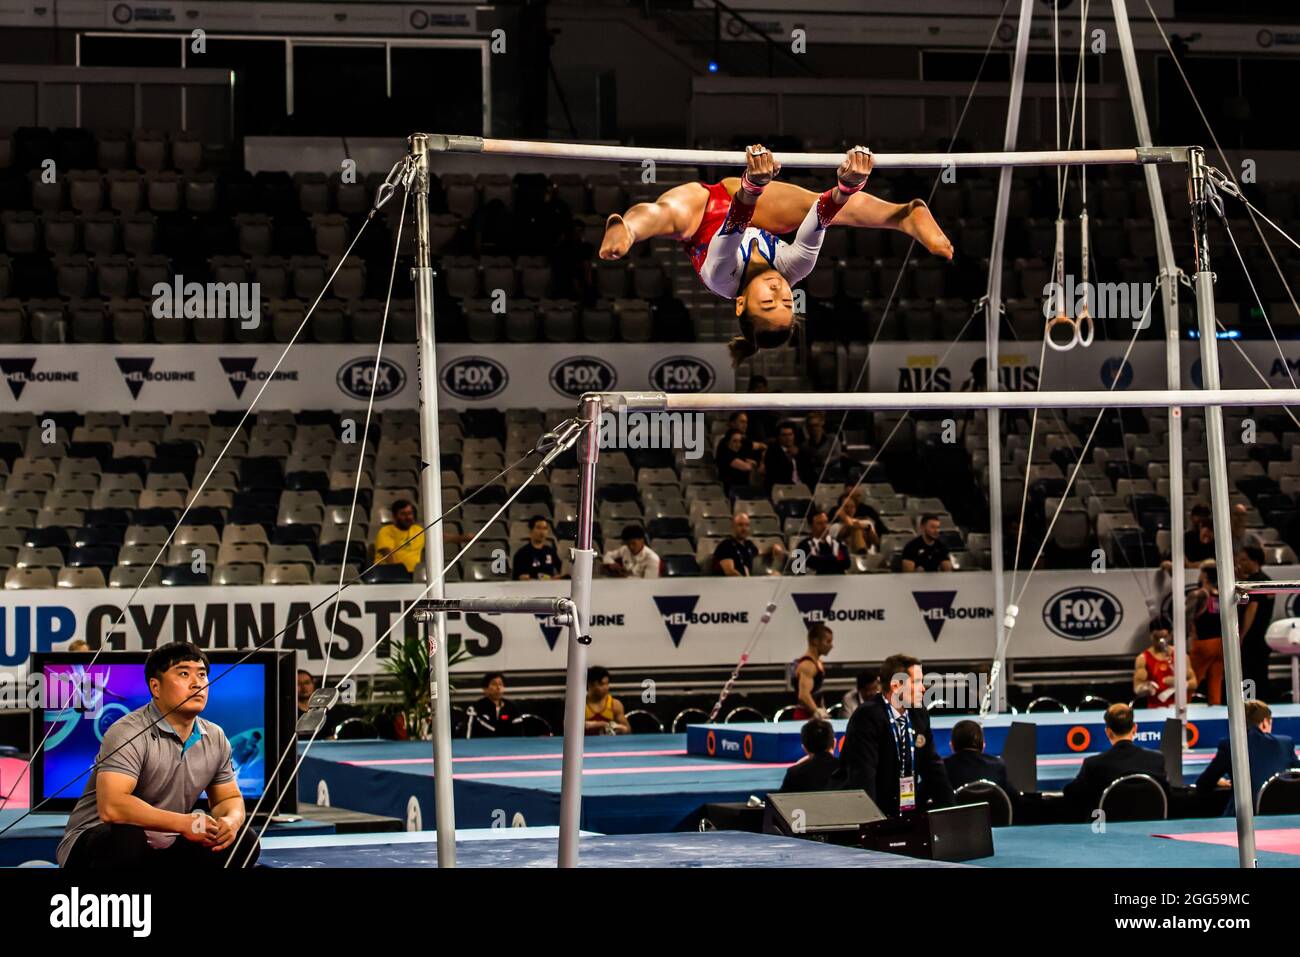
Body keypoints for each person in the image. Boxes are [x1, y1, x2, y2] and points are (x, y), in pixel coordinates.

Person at [599, 143, 952, 366]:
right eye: (786, 303)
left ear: (740, 305)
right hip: (756, 206)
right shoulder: (794, 269)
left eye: (768, 304)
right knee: (821, 202)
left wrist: (754, 183)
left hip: (703, 214)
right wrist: (848, 184)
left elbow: (733, 227)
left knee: (666, 215)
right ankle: (903, 214)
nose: (779, 294)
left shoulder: (720, 279)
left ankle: (628, 230)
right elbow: (821, 218)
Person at [57, 641, 259, 869]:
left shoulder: (215, 735)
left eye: (202, 675)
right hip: (96, 843)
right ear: (155, 687)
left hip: (166, 840)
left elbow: (227, 799)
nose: (197, 684)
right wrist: (183, 823)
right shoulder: (127, 731)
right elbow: (112, 807)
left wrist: (229, 822)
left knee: (244, 839)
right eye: (184, 674)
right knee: (125, 836)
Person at [832, 653, 953, 818]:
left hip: (906, 807)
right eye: (917, 682)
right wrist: (872, 823)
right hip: (874, 809)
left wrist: (952, 813)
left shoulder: (919, 714)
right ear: (896, 687)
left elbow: (932, 767)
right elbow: (864, 774)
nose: (923, 688)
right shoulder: (867, 716)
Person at [1061, 703, 1167, 819]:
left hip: (1107, 833)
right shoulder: (1156, 760)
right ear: (1135, 728)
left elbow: (1071, 794)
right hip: (1151, 831)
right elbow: (1168, 795)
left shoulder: (1094, 765)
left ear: (1108, 732)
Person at [1195, 700, 1300, 815]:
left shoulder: (1230, 744)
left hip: (1242, 819)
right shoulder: (1285, 743)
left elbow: (1203, 784)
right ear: (1265, 723)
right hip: (1284, 816)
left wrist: (1218, 781)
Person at [1237, 544, 1275, 701]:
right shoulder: (1265, 580)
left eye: (1244, 560)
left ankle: (1249, 705)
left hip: (1252, 639)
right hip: (1260, 637)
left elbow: (1251, 610)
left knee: (1249, 674)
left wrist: (1241, 636)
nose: (1240, 563)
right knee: (1259, 675)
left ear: (1255, 561)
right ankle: (1260, 705)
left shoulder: (1255, 583)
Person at [1133, 618, 1196, 707]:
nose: (1160, 642)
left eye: (1164, 638)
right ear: (1150, 635)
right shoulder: (1143, 658)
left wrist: (1180, 684)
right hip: (1155, 710)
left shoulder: (1180, 655)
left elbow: (1194, 683)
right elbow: (1137, 687)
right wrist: (1145, 688)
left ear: (1170, 635)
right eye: (1156, 638)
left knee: (1173, 721)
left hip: (1177, 709)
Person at [943, 719, 1014, 798]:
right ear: (983, 746)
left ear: (951, 746)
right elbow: (1013, 799)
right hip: (993, 810)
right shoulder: (998, 765)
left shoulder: (942, 767)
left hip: (957, 810)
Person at [1188, 560, 1226, 705]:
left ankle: (1183, 712)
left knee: (1190, 681)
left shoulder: (1198, 595)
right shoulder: (1221, 595)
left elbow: (1185, 620)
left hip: (1203, 644)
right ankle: (1215, 711)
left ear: (1204, 575)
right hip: (1220, 644)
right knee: (1215, 682)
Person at [712, 511, 784, 576]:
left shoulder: (748, 544)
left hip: (747, 582)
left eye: (747, 525)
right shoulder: (726, 545)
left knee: (775, 575)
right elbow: (730, 572)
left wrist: (773, 547)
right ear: (733, 527)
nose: (744, 529)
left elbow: (760, 552)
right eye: (740, 525)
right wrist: (747, 582)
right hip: (731, 585)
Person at [777, 719, 839, 793]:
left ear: (805, 748)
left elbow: (781, 801)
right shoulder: (848, 770)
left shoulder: (794, 774)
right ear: (834, 743)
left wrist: (797, 767)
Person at [790, 623, 834, 720]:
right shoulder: (808, 665)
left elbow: (816, 693)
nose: (831, 646)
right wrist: (818, 712)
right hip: (805, 717)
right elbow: (803, 695)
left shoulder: (818, 663)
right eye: (828, 641)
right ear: (815, 641)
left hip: (814, 715)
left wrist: (822, 709)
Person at [375, 498, 425, 573]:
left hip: (414, 575)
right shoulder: (386, 531)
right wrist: (397, 573)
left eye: (410, 513)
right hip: (388, 574)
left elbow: (435, 538)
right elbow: (387, 554)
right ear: (394, 516)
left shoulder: (418, 530)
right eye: (403, 514)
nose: (408, 517)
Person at [764, 421, 815, 492]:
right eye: (784, 435)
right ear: (778, 437)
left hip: (803, 488)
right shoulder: (772, 452)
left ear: (794, 435)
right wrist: (788, 459)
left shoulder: (801, 451)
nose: (788, 438)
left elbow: (809, 472)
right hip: (783, 489)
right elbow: (775, 475)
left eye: (790, 434)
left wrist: (798, 455)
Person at [512, 515, 565, 581]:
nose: (542, 532)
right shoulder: (522, 554)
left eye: (545, 528)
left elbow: (561, 571)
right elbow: (519, 577)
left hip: (550, 588)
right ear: (530, 531)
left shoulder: (550, 551)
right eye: (538, 528)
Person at [797, 509, 850, 574]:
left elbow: (846, 563)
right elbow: (800, 568)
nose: (824, 526)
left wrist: (818, 560)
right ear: (811, 526)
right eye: (819, 523)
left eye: (826, 522)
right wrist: (834, 558)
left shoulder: (838, 543)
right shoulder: (803, 545)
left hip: (837, 580)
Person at [467, 672, 519, 738]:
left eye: (501, 684)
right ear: (485, 689)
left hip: (508, 746)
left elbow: (519, 733)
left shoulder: (512, 707)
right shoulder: (475, 708)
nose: (498, 687)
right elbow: (468, 735)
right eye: (494, 684)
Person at [830, 490, 881, 554]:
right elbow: (850, 527)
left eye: (852, 507)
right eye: (846, 507)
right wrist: (843, 516)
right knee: (856, 529)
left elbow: (876, 542)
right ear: (840, 509)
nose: (849, 509)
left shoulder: (866, 522)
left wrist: (868, 529)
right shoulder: (835, 527)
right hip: (849, 558)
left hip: (869, 557)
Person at [584, 666, 630, 735]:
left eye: (607, 683)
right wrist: (600, 724)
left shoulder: (615, 704)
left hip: (609, 744)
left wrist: (621, 729)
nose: (606, 687)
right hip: (584, 745)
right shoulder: (579, 705)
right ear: (590, 685)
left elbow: (627, 729)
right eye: (602, 684)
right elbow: (569, 728)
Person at [715, 429, 762, 496]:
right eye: (734, 441)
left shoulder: (736, 453)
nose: (738, 444)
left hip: (742, 488)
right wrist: (753, 464)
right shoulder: (726, 455)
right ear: (727, 442)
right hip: (732, 490)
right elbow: (747, 467)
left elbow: (751, 462)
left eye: (739, 442)